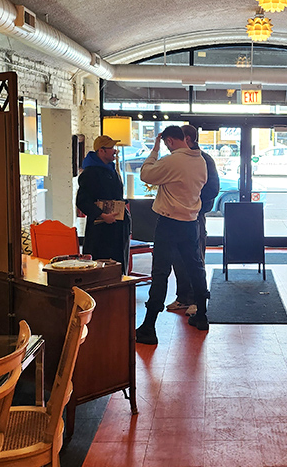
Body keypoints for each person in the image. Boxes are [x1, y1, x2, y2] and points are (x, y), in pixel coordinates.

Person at [136, 125, 209, 344]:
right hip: (190, 222)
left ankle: (149, 326)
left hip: (168, 223)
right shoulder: (201, 161)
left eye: (166, 144)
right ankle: (202, 315)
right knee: (195, 267)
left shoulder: (173, 160)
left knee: (160, 272)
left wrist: (154, 149)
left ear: (169, 140)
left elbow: (145, 174)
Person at [166, 124, 219, 315]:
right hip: (176, 217)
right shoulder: (177, 159)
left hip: (195, 217)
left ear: (187, 139)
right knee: (177, 257)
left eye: (178, 138)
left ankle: (198, 300)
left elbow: (213, 189)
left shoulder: (204, 159)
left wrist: (195, 204)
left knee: (196, 259)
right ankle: (183, 297)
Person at [76, 134, 131, 271]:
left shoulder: (110, 169)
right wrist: (102, 215)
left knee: (118, 265)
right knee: (103, 267)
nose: (115, 151)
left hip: (117, 227)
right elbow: (82, 201)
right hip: (101, 231)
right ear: (101, 151)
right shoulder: (90, 173)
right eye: (111, 148)